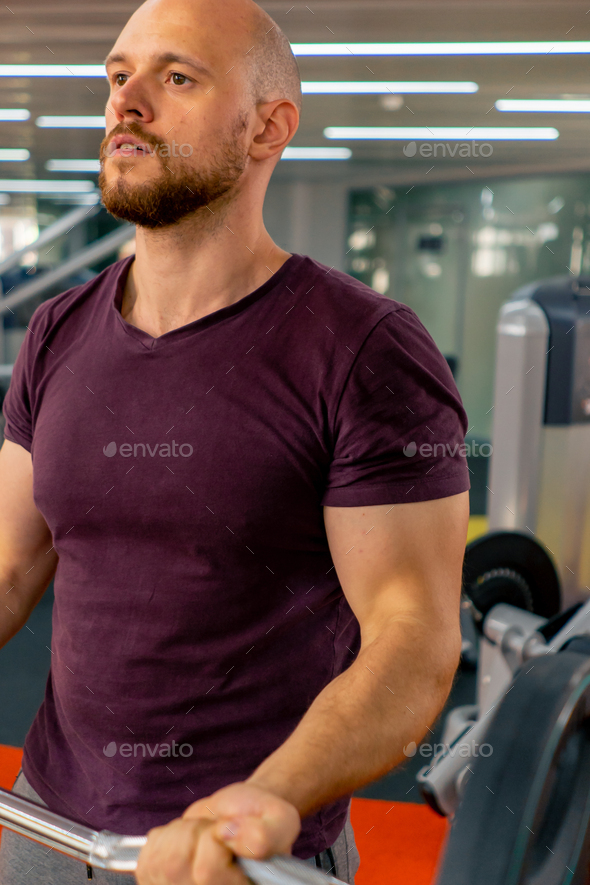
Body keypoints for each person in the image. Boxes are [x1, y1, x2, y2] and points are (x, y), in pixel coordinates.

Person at [0, 0, 470, 883]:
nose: (126, 103)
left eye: (175, 77)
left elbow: (414, 638)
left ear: (267, 127)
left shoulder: (365, 350)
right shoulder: (58, 331)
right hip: (44, 829)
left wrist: (271, 797)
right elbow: (12, 565)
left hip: (242, 849)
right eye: (117, 75)